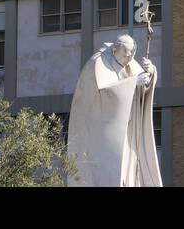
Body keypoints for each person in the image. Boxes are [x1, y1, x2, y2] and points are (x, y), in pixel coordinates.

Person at [66, 34, 162, 187]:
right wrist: (133, 82)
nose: (128, 60)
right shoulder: (98, 63)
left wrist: (151, 73)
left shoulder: (129, 62)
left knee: (130, 171)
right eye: (125, 56)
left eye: (131, 56)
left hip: (129, 130)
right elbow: (101, 93)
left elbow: (142, 91)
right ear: (114, 50)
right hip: (105, 133)